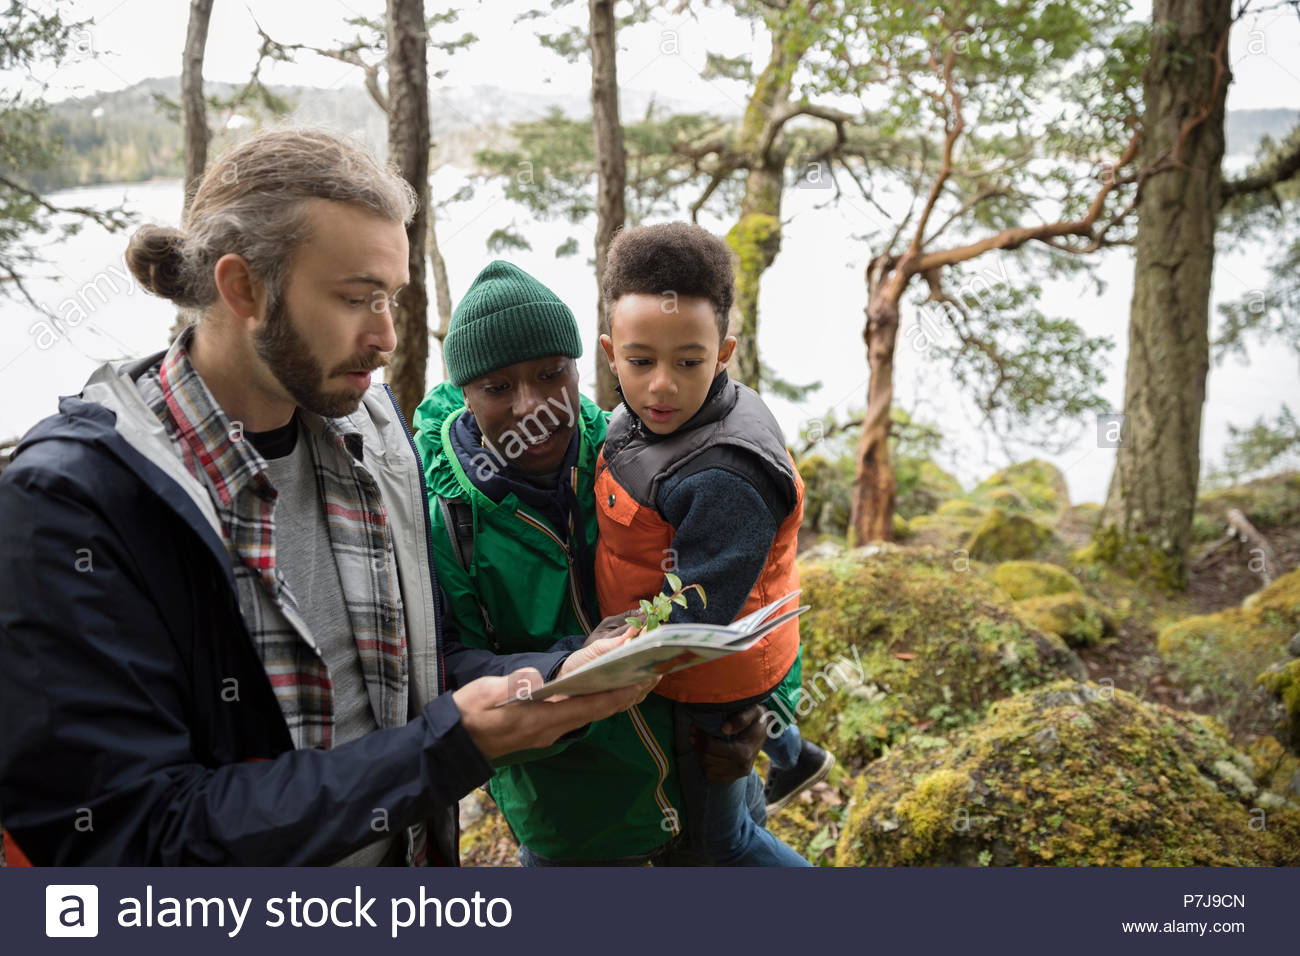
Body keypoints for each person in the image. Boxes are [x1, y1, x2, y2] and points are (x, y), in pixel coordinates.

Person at [0, 128, 651, 866]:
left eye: (393, 299)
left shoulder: (375, 436)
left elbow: (417, 680)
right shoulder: (72, 504)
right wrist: (444, 751)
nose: (386, 337)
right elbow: (127, 835)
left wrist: (557, 672)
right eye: (357, 299)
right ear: (243, 287)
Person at [412, 261, 770, 865]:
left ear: (582, 364)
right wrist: (565, 667)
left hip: (708, 782)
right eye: (498, 388)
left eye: (551, 374)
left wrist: (759, 710)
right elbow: (446, 666)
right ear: (465, 393)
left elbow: (750, 584)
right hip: (579, 826)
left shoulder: (637, 457)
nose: (533, 406)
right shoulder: (445, 519)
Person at [595, 222, 834, 867]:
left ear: (724, 352)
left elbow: (699, 611)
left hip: (713, 679)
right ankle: (796, 756)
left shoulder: (724, 474)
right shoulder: (654, 418)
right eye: (641, 362)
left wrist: (606, 644)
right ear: (610, 353)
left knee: (719, 842)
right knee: (737, 804)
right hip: (745, 651)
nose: (662, 386)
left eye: (689, 362)